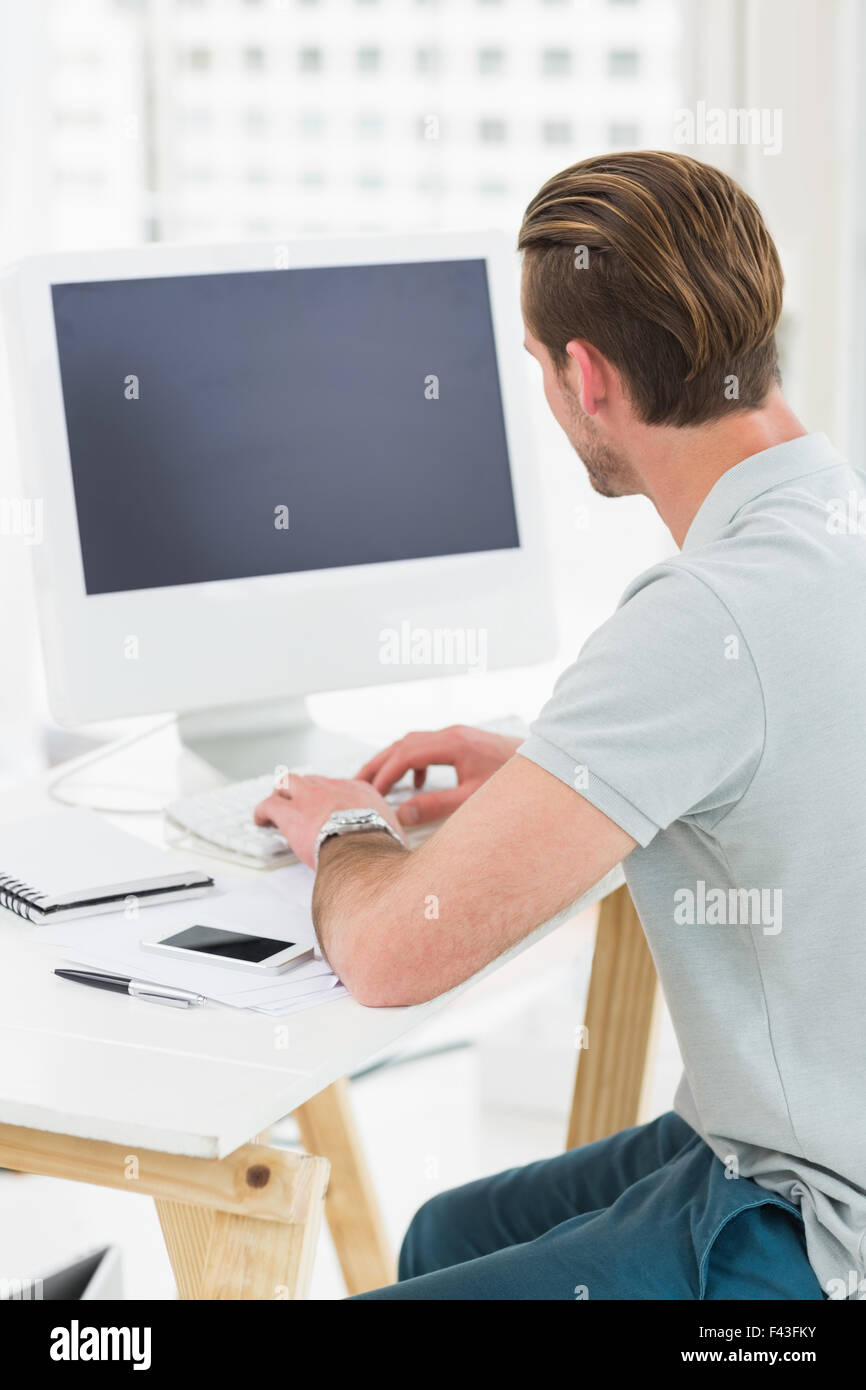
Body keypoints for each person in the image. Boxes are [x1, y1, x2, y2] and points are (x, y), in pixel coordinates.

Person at [255, 151, 865, 1300]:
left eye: (535, 365)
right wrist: (559, 775)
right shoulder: (832, 519)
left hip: (814, 1227)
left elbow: (391, 956)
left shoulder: (706, 617)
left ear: (584, 376)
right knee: (447, 1233)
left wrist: (347, 832)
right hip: (803, 1134)